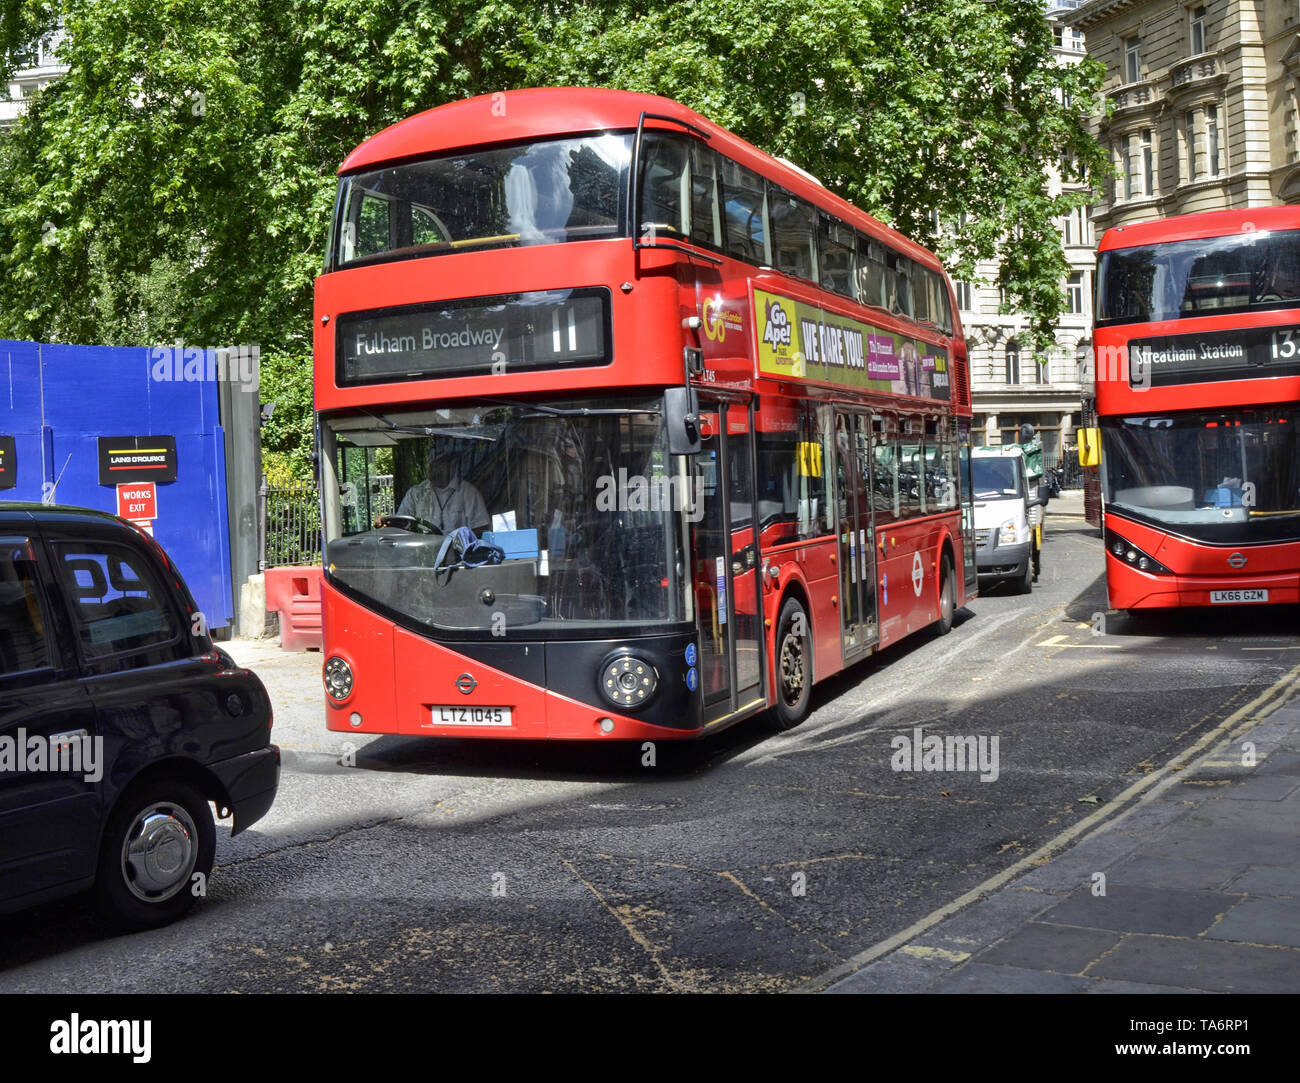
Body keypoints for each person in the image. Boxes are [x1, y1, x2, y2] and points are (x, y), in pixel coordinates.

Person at [397, 443, 490, 534]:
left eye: (439, 465)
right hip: (422, 547)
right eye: (431, 466)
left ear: (451, 466)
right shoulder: (415, 493)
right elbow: (401, 523)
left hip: (456, 548)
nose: (434, 471)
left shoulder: (468, 493)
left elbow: (481, 527)